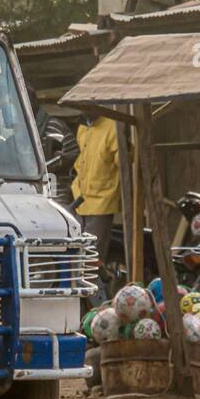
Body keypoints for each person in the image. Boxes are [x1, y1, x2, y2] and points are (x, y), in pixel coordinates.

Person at [71, 115, 120, 305]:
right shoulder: (83, 128)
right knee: (77, 257)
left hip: (101, 202)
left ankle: (98, 306)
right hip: (80, 199)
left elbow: (124, 163)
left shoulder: (112, 127)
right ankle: (84, 303)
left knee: (91, 260)